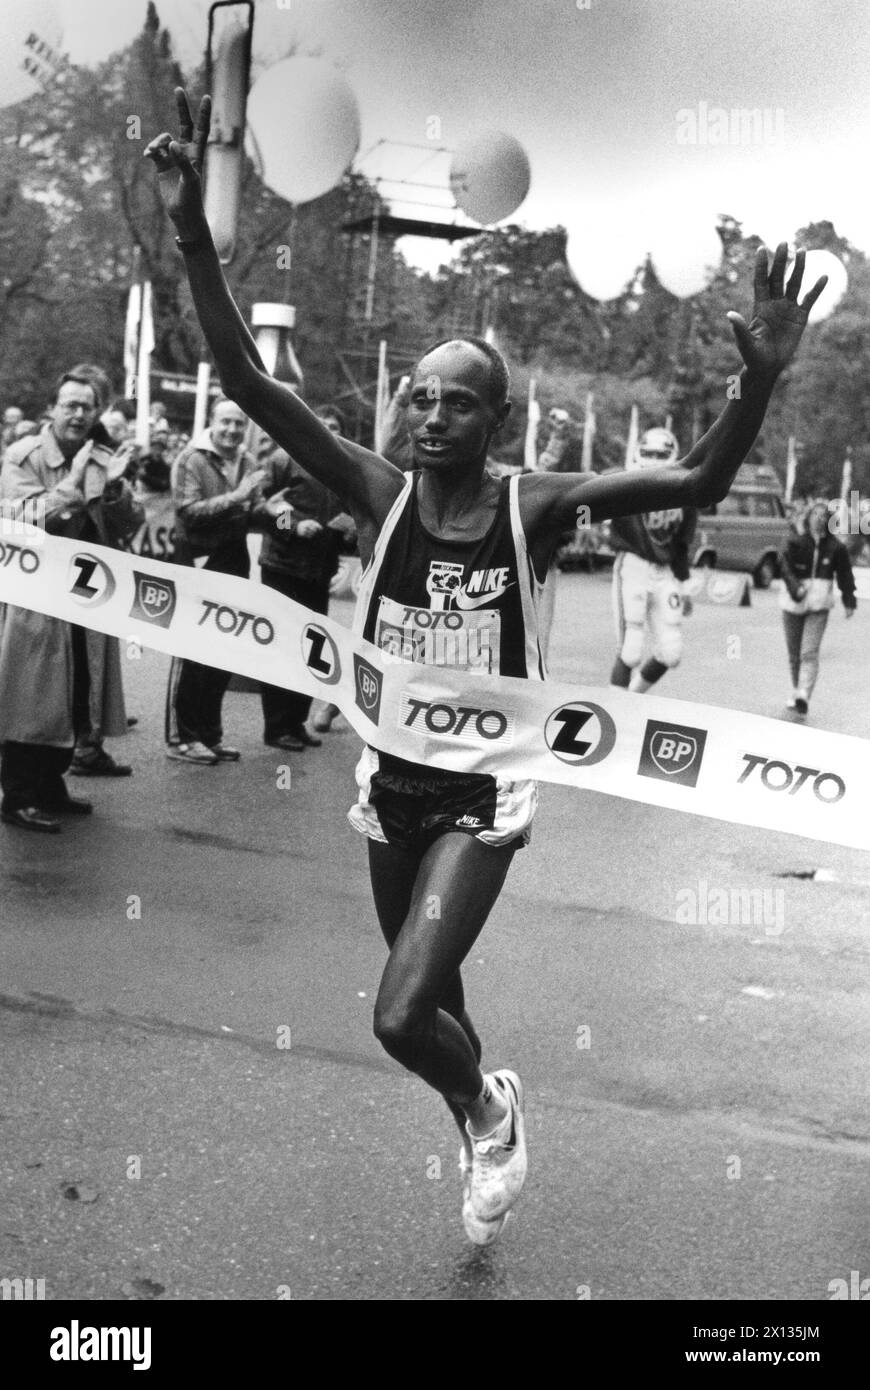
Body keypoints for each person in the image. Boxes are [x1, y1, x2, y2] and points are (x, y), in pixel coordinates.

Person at [146, 90, 825, 1243]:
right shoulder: (378, 492)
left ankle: (488, 1108)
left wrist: (757, 380)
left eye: (457, 403)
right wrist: (196, 236)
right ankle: (479, 1105)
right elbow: (252, 383)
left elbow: (695, 490)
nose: (427, 414)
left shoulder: (538, 508)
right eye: (418, 395)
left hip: (482, 793)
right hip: (390, 785)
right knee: (438, 996)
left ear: (495, 421)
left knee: (401, 1012)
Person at [0, 370, 142, 832]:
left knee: (78, 693)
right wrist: (75, 482)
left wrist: (116, 487)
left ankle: (50, 784)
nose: (79, 414)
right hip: (35, 600)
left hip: (86, 598)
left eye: (88, 406)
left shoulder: (101, 458)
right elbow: (23, 518)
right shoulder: (22, 457)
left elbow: (126, 525)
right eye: (70, 405)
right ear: (53, 408)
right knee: (31, 697)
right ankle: (18, 793)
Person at [164, 395, 264, 764]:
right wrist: (237, 497)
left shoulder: (249, 461)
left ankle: (210, 734)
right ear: (211, 423)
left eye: (239, 423)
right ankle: (181, 739)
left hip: (233, 560)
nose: (233, 430)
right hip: (197, 562)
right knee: (192, 652)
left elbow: (254, 513)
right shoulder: (191, 459)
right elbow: (188, 513)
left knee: (223, 651)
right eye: (226, 422)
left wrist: (277, 513)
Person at [253, 404, 355, 748]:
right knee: (282, 647)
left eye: (335, 427)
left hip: (318, 571)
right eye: (322, 424)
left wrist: (348, 530)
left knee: (311, 649)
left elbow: (350, 516)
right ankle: (276, 727)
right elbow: (263, 511)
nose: (329, 431)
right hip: (282, 568)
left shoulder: (343, 469)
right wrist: (294, 526)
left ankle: (297, 723)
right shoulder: (283, 459)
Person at [608, 427, 698, 693]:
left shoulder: (684, 493)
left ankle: (633, 698)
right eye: (649, 453)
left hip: (665, 571)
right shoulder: (626, 484)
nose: (655, 459)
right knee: (630, 649)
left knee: (671, 651)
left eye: (661, 454)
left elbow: (681, 545)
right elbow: (591, 498)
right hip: (633, 566)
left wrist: (684, 584)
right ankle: (614, 711)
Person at [778, 498, 856, 716]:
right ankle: (796, 690)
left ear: (829, 521)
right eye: (815, 515)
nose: (819, 519)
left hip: (819, 605)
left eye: (824, 516)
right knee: (794, 655)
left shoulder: (836, 548)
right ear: (808, 516)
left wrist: (849, 601)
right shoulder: (795, 541)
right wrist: (796, 589)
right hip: (792, 604)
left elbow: (845, 574)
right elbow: (783, 566)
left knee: (809, 653)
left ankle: (803, 693)